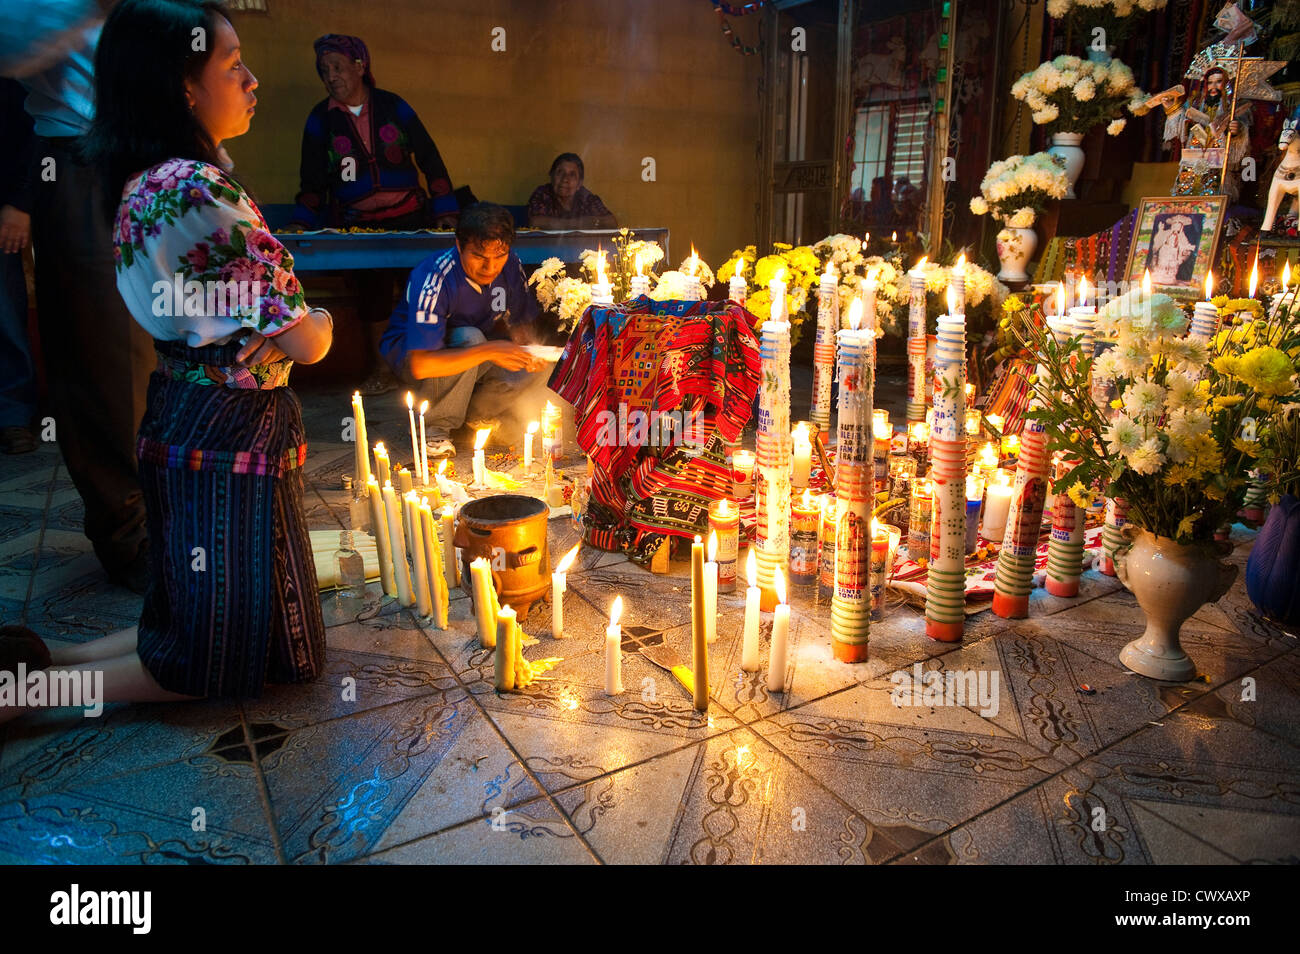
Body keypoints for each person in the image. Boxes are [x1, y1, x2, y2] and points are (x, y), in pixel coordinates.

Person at [2, 0, 333, 720]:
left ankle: (52, 656)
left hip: (186, 415)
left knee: (283, 643)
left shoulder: (144, 183)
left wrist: (279, 324)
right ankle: (34, 693)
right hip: (226, 434)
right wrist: (314, 321)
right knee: (204, 660)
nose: (251, 80)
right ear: (184, 87)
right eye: (232, 63)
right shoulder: (201, 192)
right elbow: (308, 338)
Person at [0, 0, 155, 590]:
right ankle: (129, 534)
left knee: (161, 345)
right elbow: (11, 44)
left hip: (148, 157)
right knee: (106, 359)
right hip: (79, 161)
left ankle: (172, 517)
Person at [293, 34, 461, 396]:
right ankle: (383, 370)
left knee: (422, 292)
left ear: (360, 66)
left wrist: (446, 209)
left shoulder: (393, 106)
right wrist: (301, 224)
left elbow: (429, 157)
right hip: (359, 225)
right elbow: (312, 179)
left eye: (337, 67)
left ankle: (426, 371)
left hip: (410, 218)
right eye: (324, 71)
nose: (331, 77)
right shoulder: (320, 120)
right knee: (374, 298)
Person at [381, 202, 549, 457]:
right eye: (479, 256)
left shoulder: (512, 264)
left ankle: (478, 417)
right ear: (459, 246)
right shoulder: (435, 277)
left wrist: (529, 351)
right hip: (417, 356)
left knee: (539, 359)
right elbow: (422, 364)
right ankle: (434, 428)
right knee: (469, 338)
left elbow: (521, 323)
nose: (490, 267)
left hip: (478, 351)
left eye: (499, 256)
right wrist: (489, 350)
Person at [0, 77, 37, 454]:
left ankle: (12, 415)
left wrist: (21, 203)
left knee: (5, 317)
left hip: (4, 208)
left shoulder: (11, 68)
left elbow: (31, 134)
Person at [527, 153, 617, 230]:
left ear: (579, 183)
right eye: (560, 172)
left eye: (572, 175)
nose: (565, 179)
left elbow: (611, 222)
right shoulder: (543, 193)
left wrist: (558, 224)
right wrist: (582, 223)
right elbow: (535, 222)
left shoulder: (585, 196)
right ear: (552, 176)